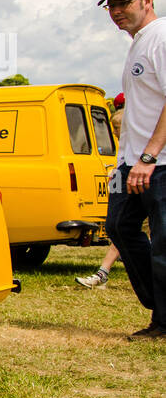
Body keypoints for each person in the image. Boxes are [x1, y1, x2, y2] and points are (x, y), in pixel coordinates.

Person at [100, 0, 166, 339]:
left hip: (157, 163)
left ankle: (163, 320)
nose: (116, 11)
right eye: (111, 5)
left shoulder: (161, 37)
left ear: (147, 0)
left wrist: (149, 156)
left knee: (163, 242)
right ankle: (159, 306)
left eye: (124, 3)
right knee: (118, 227)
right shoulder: (138, 43)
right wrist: (127, 159)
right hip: (132, 162)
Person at [77, 93, 126, 289]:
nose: (113, 132)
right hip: (126, 188)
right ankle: (102, 274)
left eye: (115, 128)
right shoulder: (122, 146)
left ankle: (102, 274)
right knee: (120, 232)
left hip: (138, 190)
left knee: (123, 233)